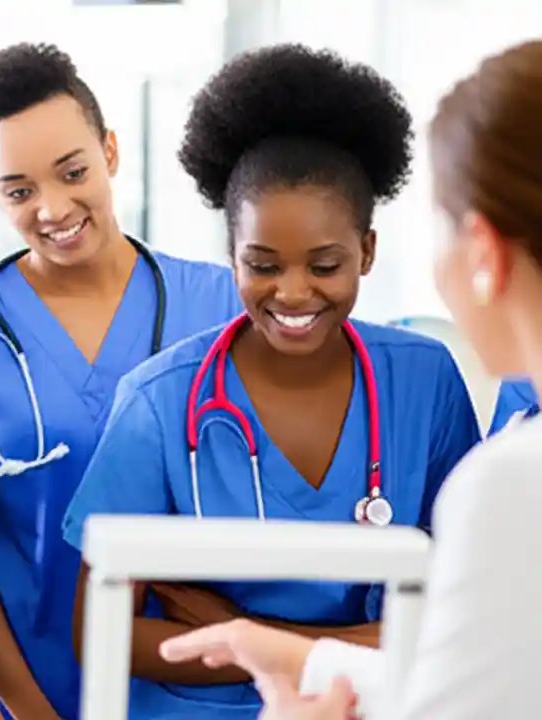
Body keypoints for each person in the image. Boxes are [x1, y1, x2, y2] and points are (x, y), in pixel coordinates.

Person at [61, 44, 481, 719]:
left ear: (366, 252)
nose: (292, 292)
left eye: (324, 264)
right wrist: (357, 646)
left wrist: (250, 638)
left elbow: (461, 619)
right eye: (262, 263)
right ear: (230, 255)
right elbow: (101, 632)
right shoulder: (160, 400)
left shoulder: (425, 382)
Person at [158, 38, 542, 719]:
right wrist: (315, 659)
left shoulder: (513, 483)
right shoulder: (164, 396)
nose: (295, 290)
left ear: (481, 249)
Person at [0, 42, 242, 720]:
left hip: (206, 694)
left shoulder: (223, 305)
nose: (53, 207)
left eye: (72, 172)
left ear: (111, 152)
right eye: (19, 190)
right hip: (36, 693)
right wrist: (31, 712)